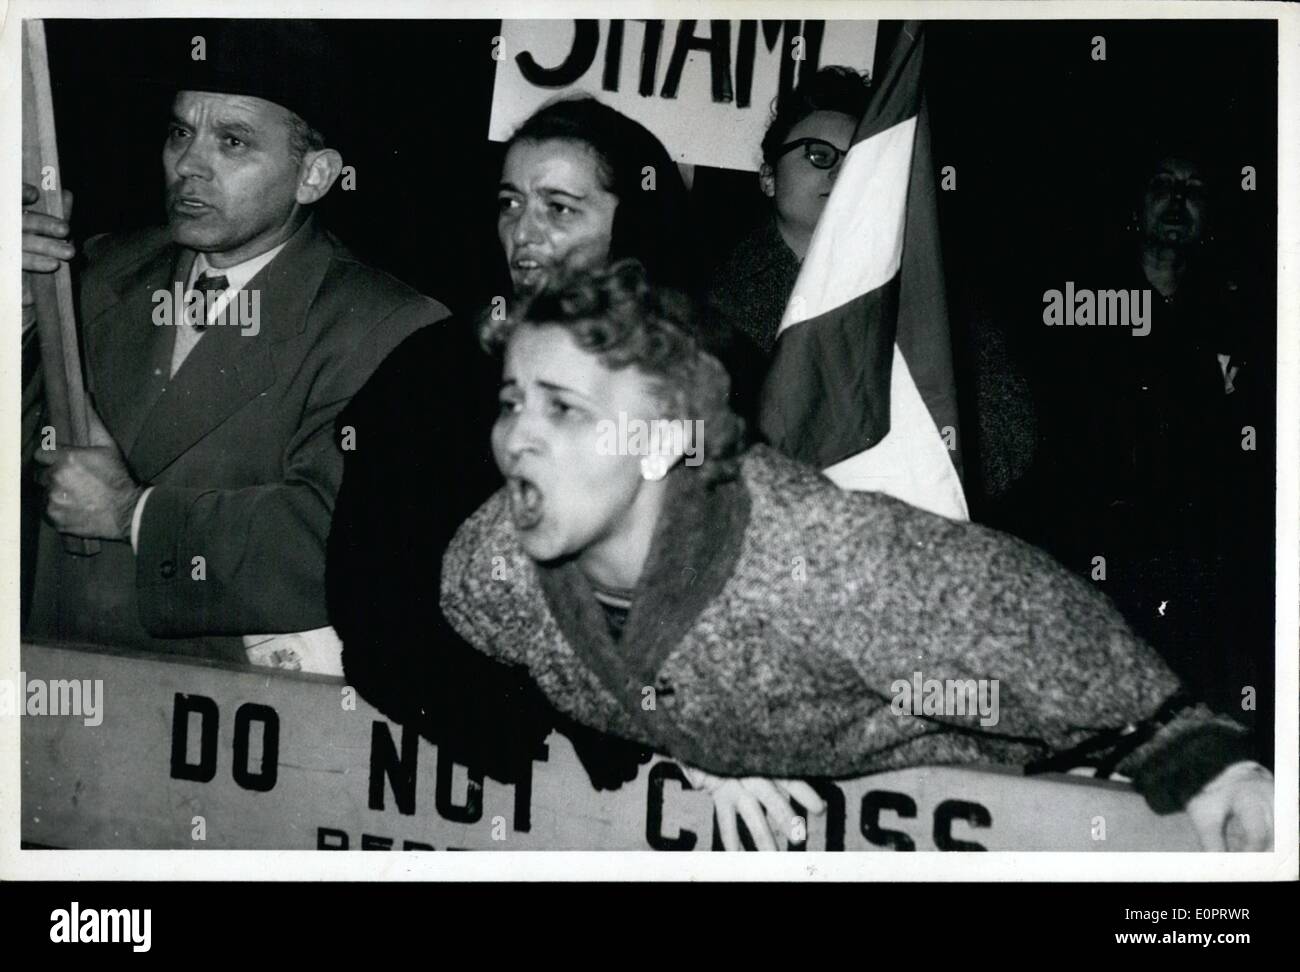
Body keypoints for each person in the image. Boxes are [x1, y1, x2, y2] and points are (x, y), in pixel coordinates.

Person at [440, 260, 1274, 852]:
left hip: (1020, 771)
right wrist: (689, 749)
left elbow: (1022, 609)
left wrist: (1200, 761)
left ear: (661, 441)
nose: (519, 439)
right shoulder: (491, 571)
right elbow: (470, 653)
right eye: (513, 402)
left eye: (565, 409)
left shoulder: (815, 560)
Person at [328, 96, 744, 793]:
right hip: (460, 768)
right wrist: (528, 723)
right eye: (510, 204)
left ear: (631, 222)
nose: (524, 233)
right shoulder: (431, 373)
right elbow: (371, 598)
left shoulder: (709, 373)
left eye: (559, 208)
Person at [21, 22, 447, 668]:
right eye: (179, 133)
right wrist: (23, 313)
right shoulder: (103, 267)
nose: (188, 165)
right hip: (49, 678)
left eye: (233, 141)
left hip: (213, 707)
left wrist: (133, 513)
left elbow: (341, 541)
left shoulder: (388, 327)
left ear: (314, 176)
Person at [707, 66, 870, 355]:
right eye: (819, 155)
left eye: (855, 162)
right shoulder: (712, 285)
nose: (839, 174)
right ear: (769, 178)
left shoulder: (898, 289)